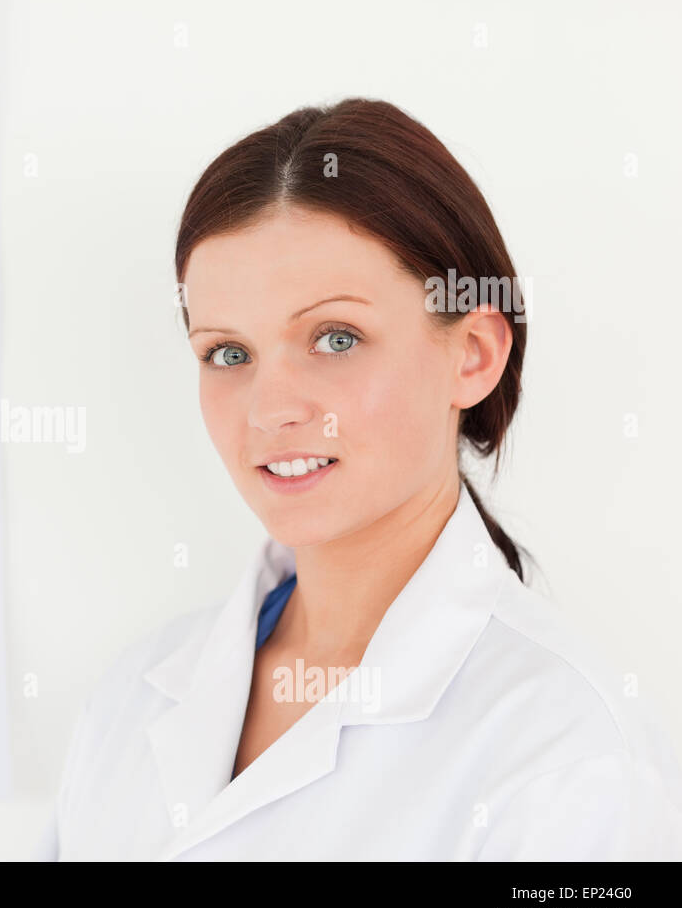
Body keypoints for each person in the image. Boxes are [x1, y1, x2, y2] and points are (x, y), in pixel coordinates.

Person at [35, 98, 682, 861]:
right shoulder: (132, 698)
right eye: (228, 353)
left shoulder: (568, 753)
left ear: (472, 352)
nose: (272, 409)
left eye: (335, 338)